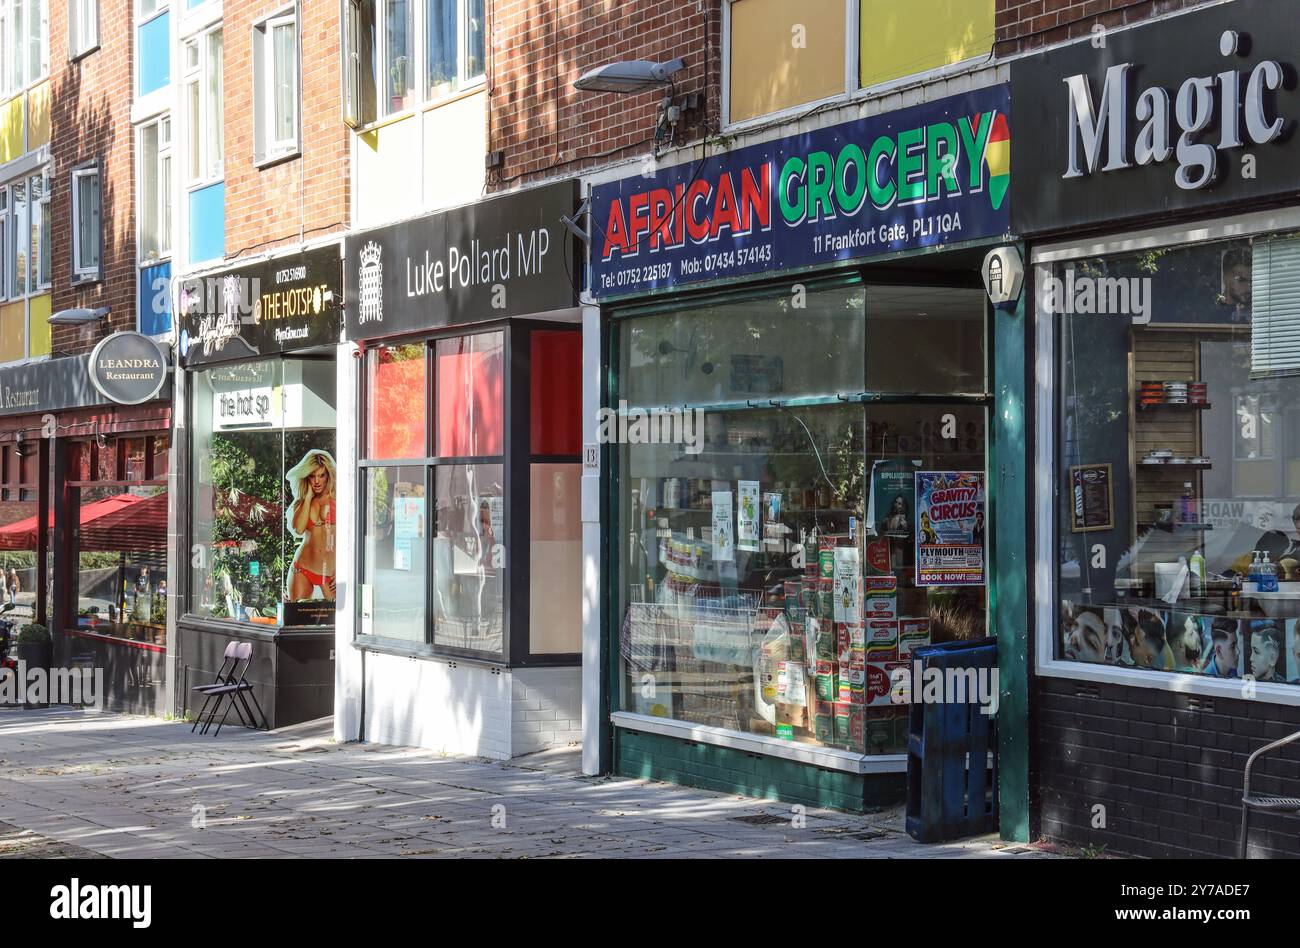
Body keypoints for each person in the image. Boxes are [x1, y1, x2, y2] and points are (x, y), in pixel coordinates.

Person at [286, 449, 338, 601]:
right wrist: (308, 498)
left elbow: (351, 539)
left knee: (336, 620)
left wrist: (344, 568)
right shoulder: (302, 503)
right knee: (298, 622)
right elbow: (299, 529)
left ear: (328, 476)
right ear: (307, 477)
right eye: (312, 476)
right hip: (302, 569)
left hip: (331, 573)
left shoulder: (340, 500)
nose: (317, 481)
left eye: (321, 475)